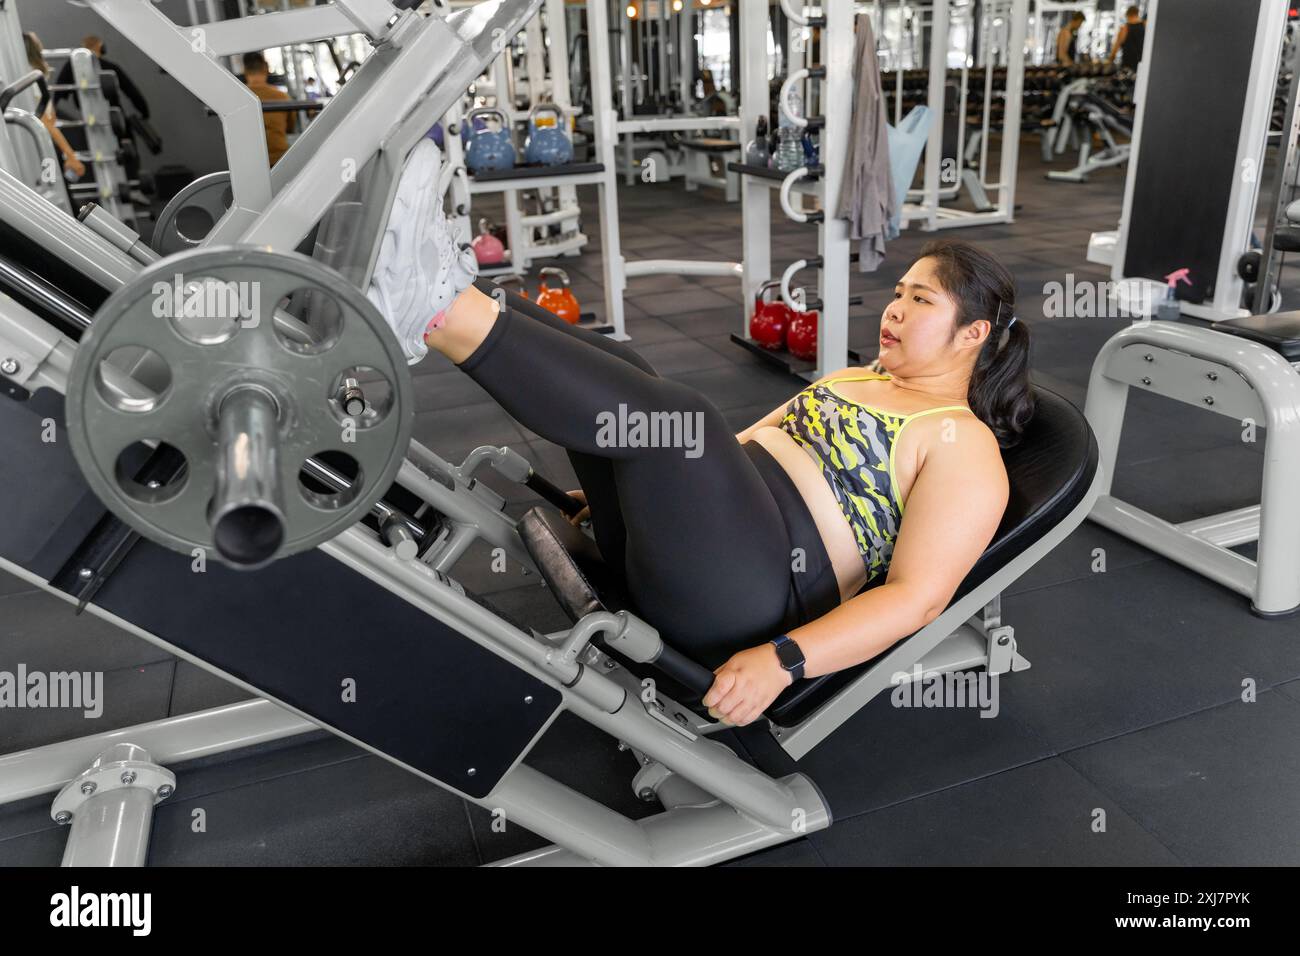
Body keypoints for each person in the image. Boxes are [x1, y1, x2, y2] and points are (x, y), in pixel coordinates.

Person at [367, 140, 1031, 726]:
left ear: (972, 334)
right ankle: (460, 290)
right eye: (900, 292)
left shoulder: (960, 441)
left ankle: (435, 309)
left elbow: (917, 599)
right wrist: (644, 503)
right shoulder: (859, 378)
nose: (895, 309)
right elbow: (744, 453)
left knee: (681, 423)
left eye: (922, 302)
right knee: (635, 373)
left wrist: (785, 661)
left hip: (752, 598)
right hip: (706, 552)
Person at [22, 32, 86, 183]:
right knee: (52, 187)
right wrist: (70, 156)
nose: (41, 46)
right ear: (32, 49)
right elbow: (45, 121)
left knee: (53, 186)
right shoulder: (32, 77)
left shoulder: (34, 76)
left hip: (45, 147)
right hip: (44, 149)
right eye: (37, 44)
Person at [54, 35, 151, 120]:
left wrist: (53, 111)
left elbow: (60, 90)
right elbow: (130, 90)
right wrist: (144, 111)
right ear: (101, 48)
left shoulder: (71, 66)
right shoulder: (111, 68)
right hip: (112, 116)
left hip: (86, 115)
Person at [241, 51, 296, 166]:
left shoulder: (237, 96)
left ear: (245, 70)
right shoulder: (282, 97)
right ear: (266, 68)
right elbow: (290, 127)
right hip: (279, 160)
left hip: (250, 161)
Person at [1107, 6, 1146, 70]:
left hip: (1128, 66)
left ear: (1127, 15)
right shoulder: (1145, 25)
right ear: (1137, 13)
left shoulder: (1125, 29)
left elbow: (1116, 47)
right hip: (1142, 65)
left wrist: (1110, 61)